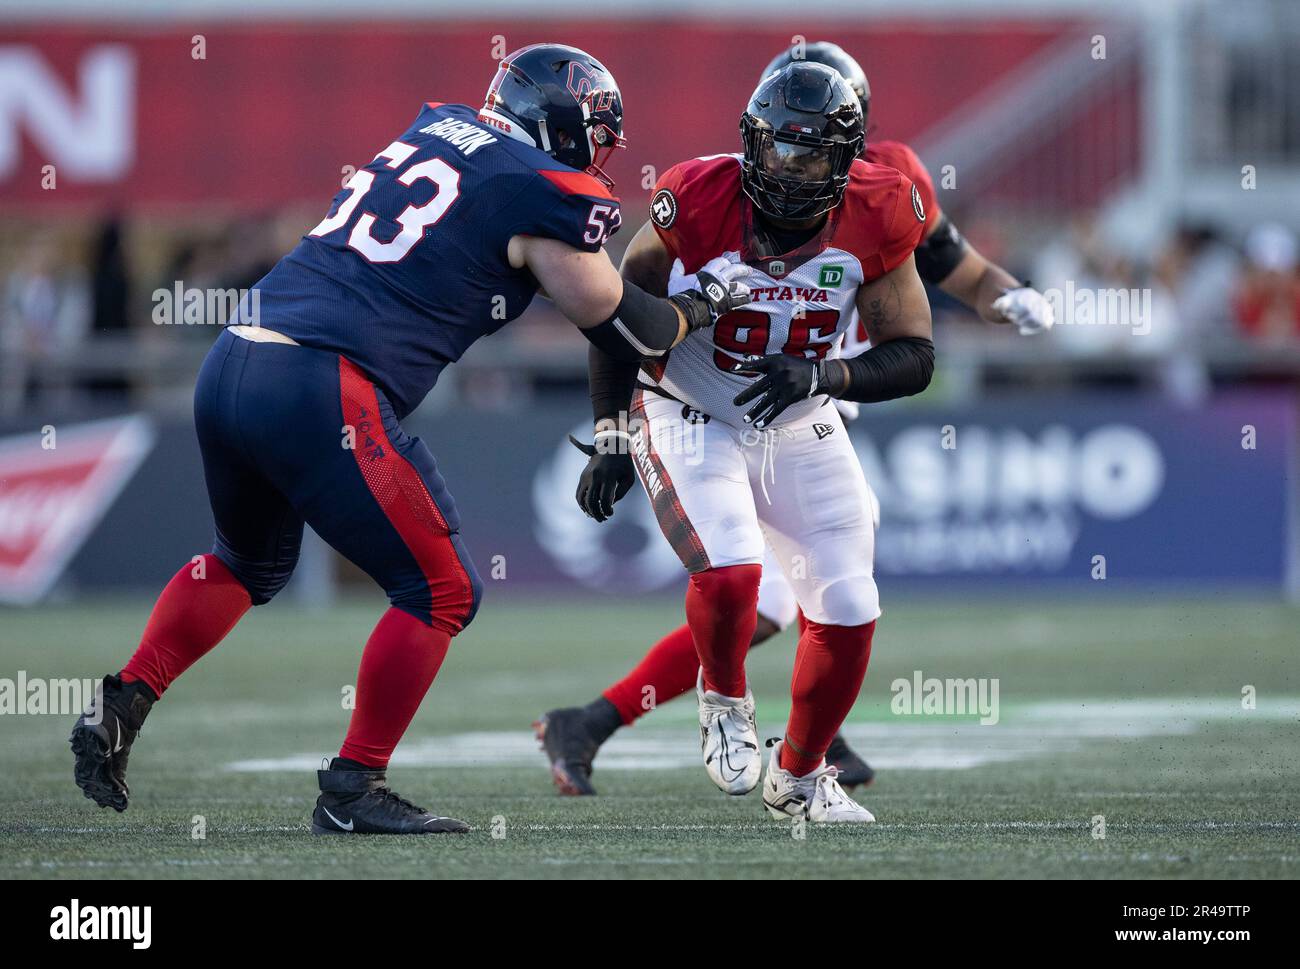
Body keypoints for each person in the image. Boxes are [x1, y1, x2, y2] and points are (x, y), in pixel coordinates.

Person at [68, 43, 748, 836]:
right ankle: (354, 784)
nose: (601, 156)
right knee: (442, 589)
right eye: (597, 135)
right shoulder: (542, 191)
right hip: (320, 382)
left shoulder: (440, 129)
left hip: (235, 358)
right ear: (565, 127)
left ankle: (123, 700)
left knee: (245, 560)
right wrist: (705, 306)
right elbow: (631, 324)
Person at [539, 41, 1053, 801]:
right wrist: (612, 428)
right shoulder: (698, 195)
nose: (787, 166)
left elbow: (942, 304)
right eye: (777, 144)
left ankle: (794, 754)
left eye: (810, 152)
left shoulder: (888, 196)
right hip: (696, 405)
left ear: (851, 144)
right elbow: (619, 312)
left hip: (807, 406)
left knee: (829, 598)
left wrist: (1002, 297)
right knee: (745, 583)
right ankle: (705, 715)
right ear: (751, 132)